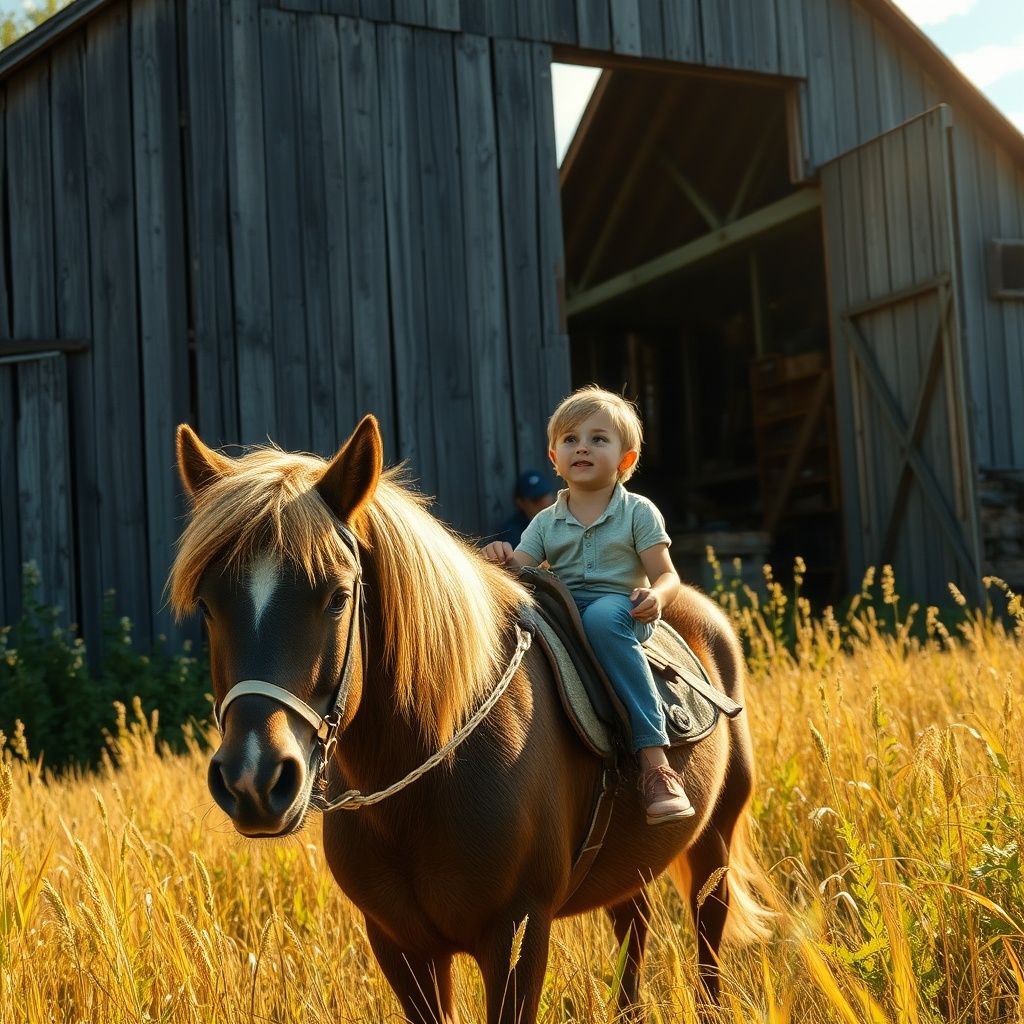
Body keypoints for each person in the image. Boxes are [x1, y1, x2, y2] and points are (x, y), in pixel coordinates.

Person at [482, 386, 693, 824]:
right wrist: (500, 559)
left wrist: (657, 597)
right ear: (555, 458)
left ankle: (655, 763)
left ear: (626, 459)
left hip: (622, 612)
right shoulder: (544, 521)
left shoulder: (639, 512)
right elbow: (521, 569)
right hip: (563, 612)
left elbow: (668, 575)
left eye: (599, 439)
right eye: (571, 439)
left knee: (601, 617)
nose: (582, 447)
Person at [492, 469, 556, 547]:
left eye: (545, 496)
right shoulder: (511, 534)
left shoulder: (565, 519)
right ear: (521, 503)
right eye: (536, 500)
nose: (544, 503)